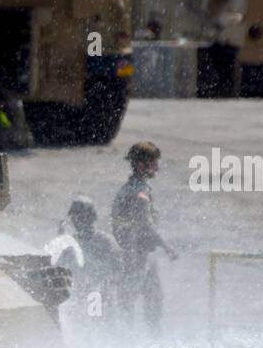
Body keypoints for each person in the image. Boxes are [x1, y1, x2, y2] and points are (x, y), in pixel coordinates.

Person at [111, 142, 178, 332]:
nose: (157, 167)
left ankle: (150, 338)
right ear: (141, 165)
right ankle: (127, 343)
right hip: (135, 256)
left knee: (153, 298)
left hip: (141, 255)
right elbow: (145, 226)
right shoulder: (138, 193)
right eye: (153, 163)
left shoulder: (138, 187)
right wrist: (167, 247)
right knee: (129, 300)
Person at [65, 196, 123, 324]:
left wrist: (102, 284)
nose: (76, 221)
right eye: (74, 218)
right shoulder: (69, 244)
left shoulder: (105, 242)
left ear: (90, 218)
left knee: (100, 331)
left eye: (79, 217)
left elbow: (118, 271)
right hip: (78, 300)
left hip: (100, 300)